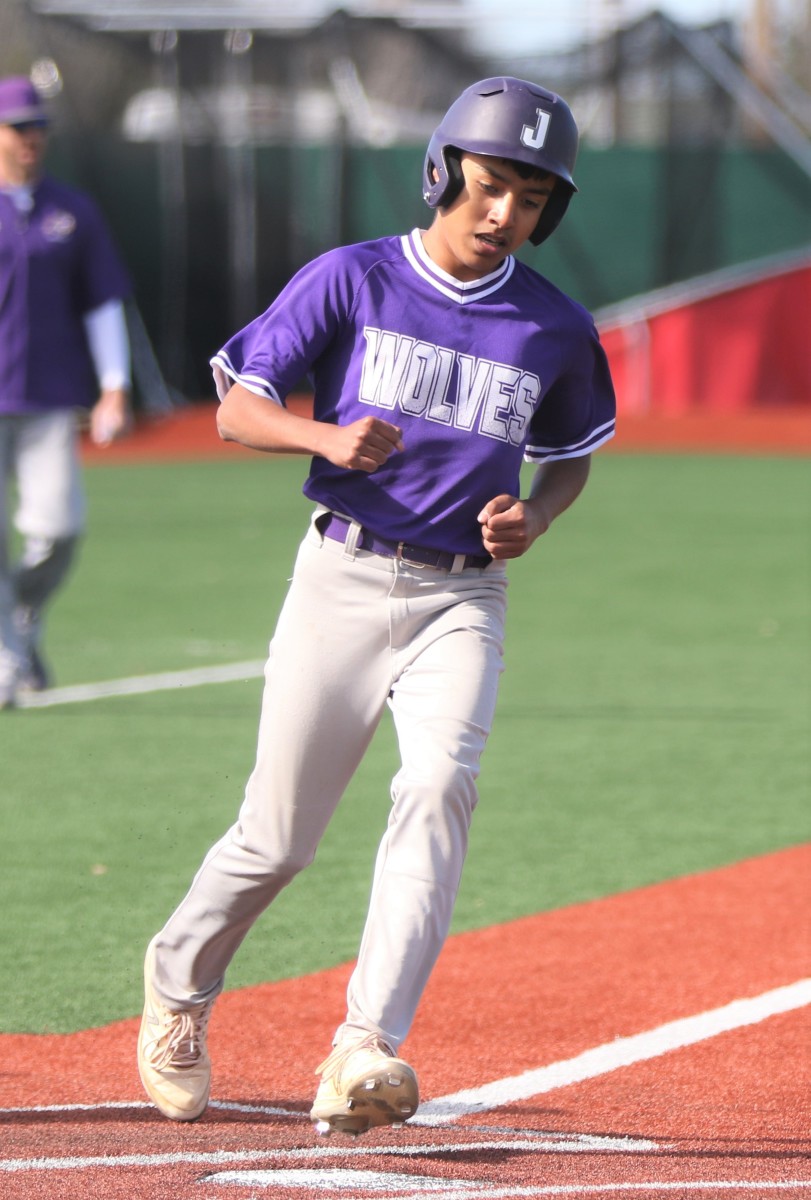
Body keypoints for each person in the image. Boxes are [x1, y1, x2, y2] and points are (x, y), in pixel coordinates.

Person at [137, 76, 616, 1135]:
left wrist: (535, 516)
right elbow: (234, 409)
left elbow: (572, 457)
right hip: (341, 579)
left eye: (531, 200)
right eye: (491, 186)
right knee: (277, 840)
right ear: (442, 170)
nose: (504, 215)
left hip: (463, 598)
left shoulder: (549, 325)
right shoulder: (352, 278)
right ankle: (176, 985)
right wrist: (320, 439)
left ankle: (364, 1049)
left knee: (441, 783)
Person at [0, 75, 132, 710]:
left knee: (58, 530)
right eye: (19, 128)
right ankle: (7, 658)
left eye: (38, 127)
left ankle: (20, 617)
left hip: (48, 399)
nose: (32, 139)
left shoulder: (71, 210)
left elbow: (103, 302)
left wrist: (114, 386)